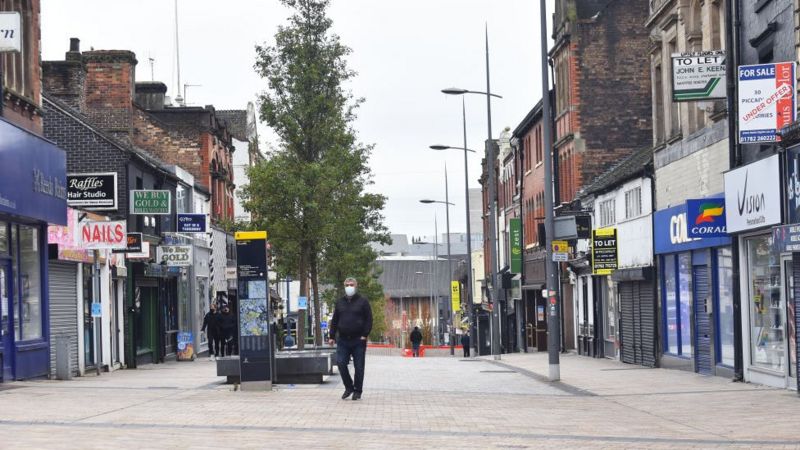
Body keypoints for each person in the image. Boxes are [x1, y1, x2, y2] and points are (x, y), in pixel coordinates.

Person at [328, 277, 372, 401]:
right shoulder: (339, 302)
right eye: (347, 285)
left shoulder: (363, 302)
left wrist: (365, 334)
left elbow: (369, 319)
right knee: (341, 363)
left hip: (358, 340)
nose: (349, 287)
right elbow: (335, 320)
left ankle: (358, 391)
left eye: (351, 284)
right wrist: (332, 336)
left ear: (356, 286)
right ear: (344, 286)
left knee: (359, 367)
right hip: (343, 340)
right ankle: (349, 387)